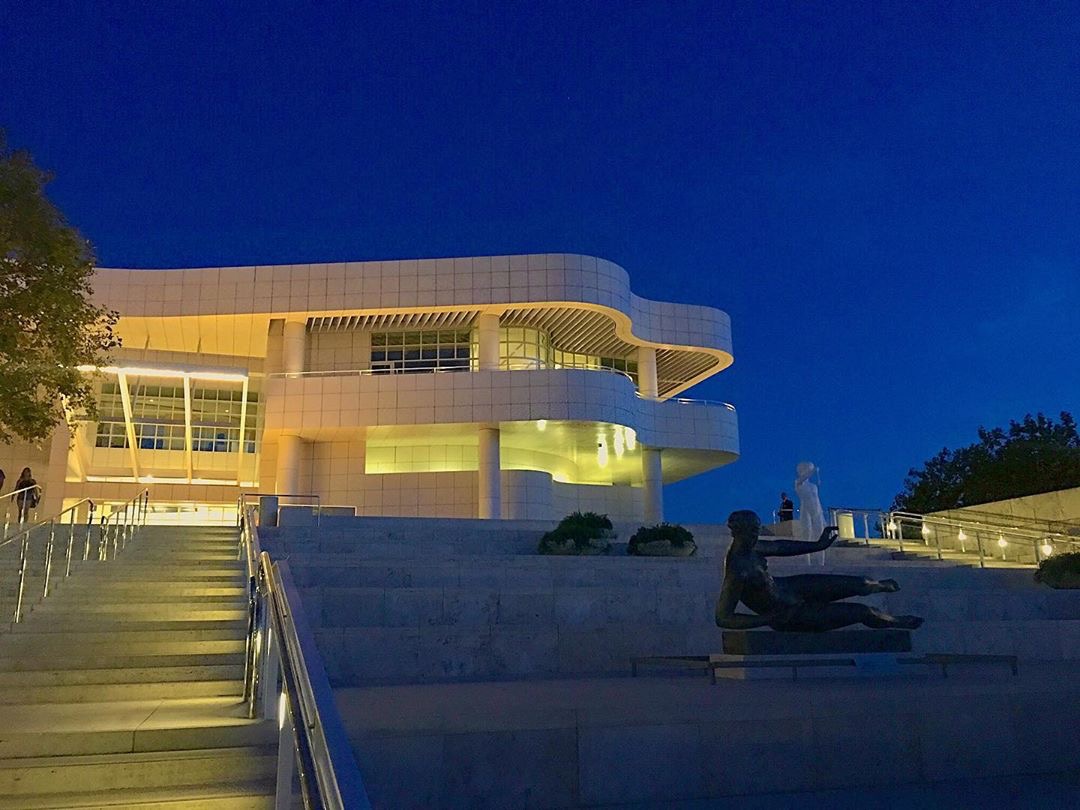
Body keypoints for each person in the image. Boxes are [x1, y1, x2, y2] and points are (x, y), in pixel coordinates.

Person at [715, 510, 923, 632]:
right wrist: (767, 619)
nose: (756, 534)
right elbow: (723, 617)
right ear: (737, 532)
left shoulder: (755, 546)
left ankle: (876, 586)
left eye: (757, 529)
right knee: (863, 612)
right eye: (752, 531)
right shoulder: (736, 569)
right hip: (788, 612)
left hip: (790, 587)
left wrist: (818, 545)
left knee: (859, 583)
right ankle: (896, 621)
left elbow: (781, 547)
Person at [794, 461, 824, 543]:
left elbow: (816, 499)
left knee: (819, 531)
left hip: (816, 509)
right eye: (804, 471)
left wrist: (820, 511)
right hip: (806, 508)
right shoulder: (798, 483)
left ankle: (820, 554)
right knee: (807, 532)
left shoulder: (813, 486)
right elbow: (803, 478)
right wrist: (812, 471)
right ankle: (806, 554)